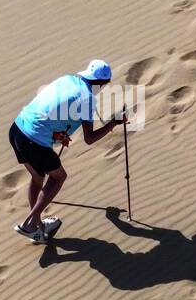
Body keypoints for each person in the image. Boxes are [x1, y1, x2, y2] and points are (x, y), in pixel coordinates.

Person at [8, 60, 126, 244]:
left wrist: (57, 133)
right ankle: (29, 224)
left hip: (17, 130)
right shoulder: (87, 98)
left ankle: (38, 225)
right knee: (58, 177)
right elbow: (90, 138)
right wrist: (114, 122)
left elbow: (49, 107)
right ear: (102, 83)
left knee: (38, 178)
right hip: (34, 140)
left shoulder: (68, 79)